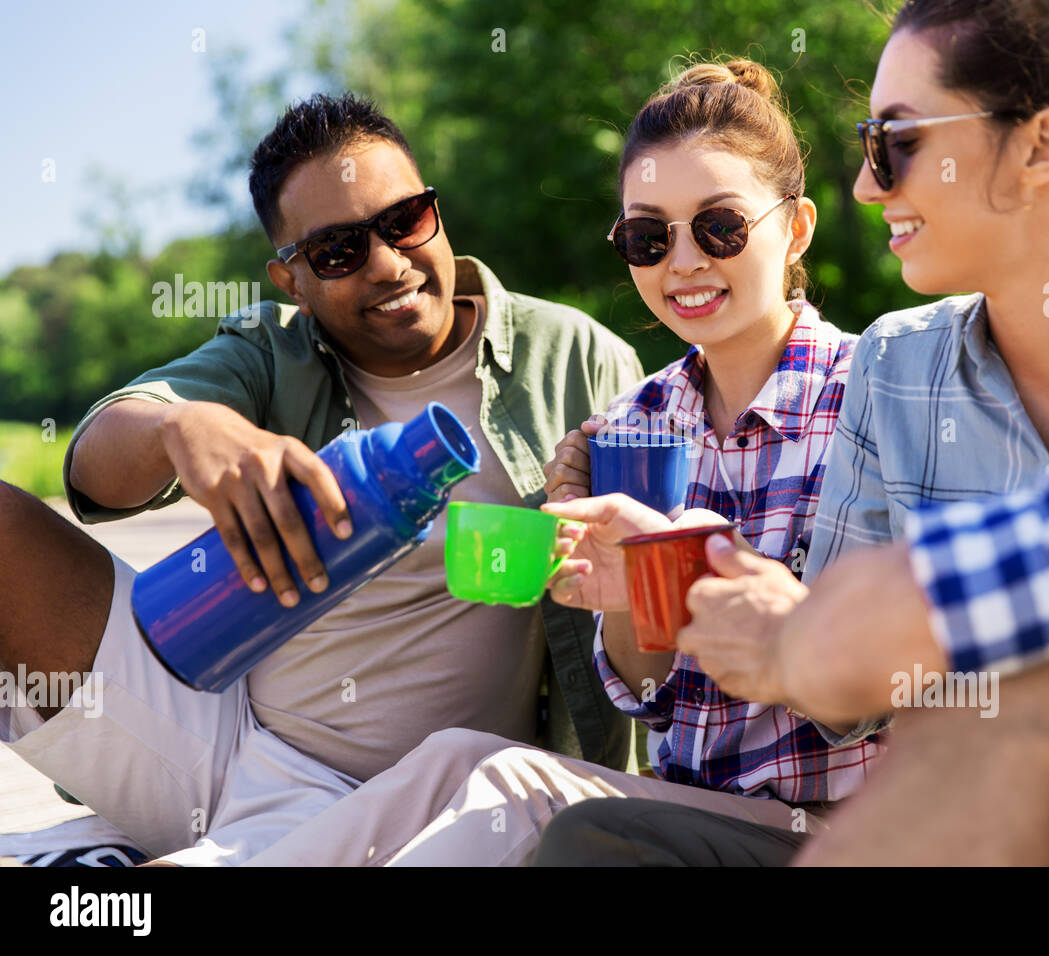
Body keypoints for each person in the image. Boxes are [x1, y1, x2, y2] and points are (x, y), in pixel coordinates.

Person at [532, 0, 1049, 865]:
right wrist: (677, 578)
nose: (868, 184)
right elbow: (839, 698)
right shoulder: (901, 363)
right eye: (644, 236)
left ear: (1043, 145)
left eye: (899, 141)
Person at [241, 57, 868, 867]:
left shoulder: (872, 395)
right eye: (648, 236)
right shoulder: (634, 420)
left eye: (720, 226)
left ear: (798, 228)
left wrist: (692, 574)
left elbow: (874, 692)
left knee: (525, 797)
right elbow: (650, 698)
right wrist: (620, 594)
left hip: (844, 826)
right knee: (457, 757)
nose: (682, 264)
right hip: (694, 810)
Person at [0, 92, 643, 866]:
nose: (387, 262)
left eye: (404, 220)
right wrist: (183, 426)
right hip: (216, 726)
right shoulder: (271, 354)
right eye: (338, 251)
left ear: (435, 211)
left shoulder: (577, 357)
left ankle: (139, 853)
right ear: (290, 280)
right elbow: (98, 463)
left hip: (417, 799)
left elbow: (641, 599)